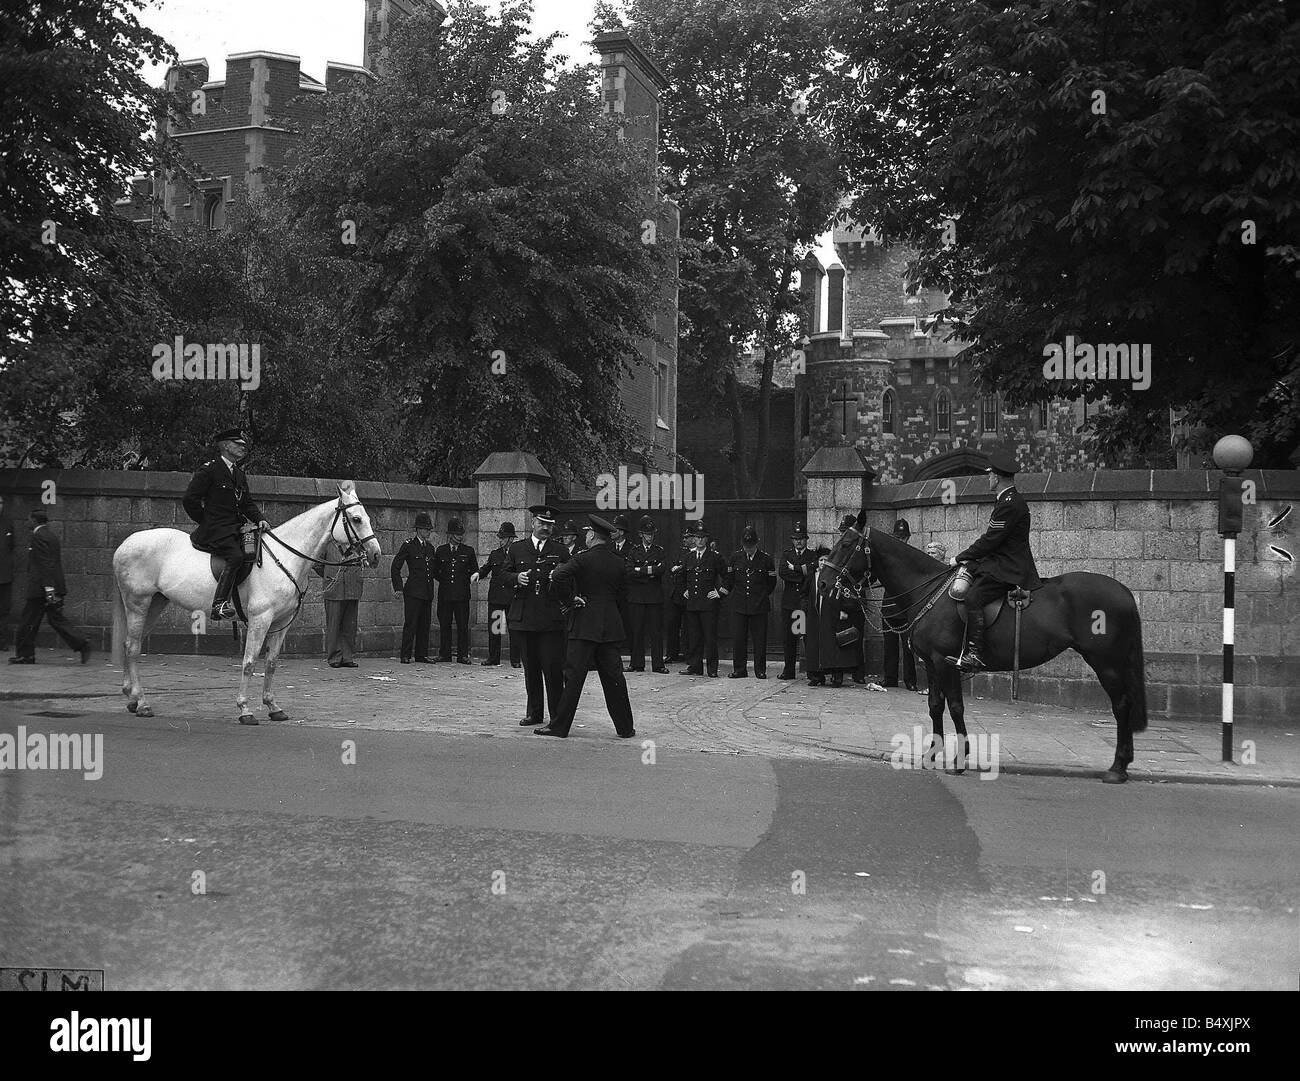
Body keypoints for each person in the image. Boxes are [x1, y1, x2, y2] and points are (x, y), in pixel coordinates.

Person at [536, 515, 636, 739]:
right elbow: (623, 594)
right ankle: (625, 727)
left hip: (584, 624)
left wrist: (570, 599)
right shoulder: (618, 561)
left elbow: (559, 575)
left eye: (588, 534)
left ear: (591, 535)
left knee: (573, 678)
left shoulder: (583, 559)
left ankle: (559, 726)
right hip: (610, 625)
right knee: (614, 679)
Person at [947, 451, 1042, 672]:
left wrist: (959, 557)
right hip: (999, 562)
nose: (988, 478)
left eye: (990, 475)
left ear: (997, 478)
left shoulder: (1009, 503)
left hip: (1007, 568)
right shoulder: (1008, 500)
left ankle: (974, 653)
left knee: (973, 598)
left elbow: (990, 541)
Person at [181, 426, 269, 621]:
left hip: (234, 529)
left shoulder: (238, 474)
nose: (243, 447)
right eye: (239, 444)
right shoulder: (210, 470)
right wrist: (206, 521)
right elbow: (190, 499)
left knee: (253, 551)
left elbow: (246, 503)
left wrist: (260, 519)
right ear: (226, 446)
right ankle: (219, 604)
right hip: (215, 531)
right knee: (236, 556)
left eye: (243, 445)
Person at [502, 504, 570, 726]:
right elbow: (502, 574)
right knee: (530, 669)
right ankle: (534, 712)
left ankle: (557, 715)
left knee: (552, 670)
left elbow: (570, 579)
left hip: (550, 619)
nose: (545, 528)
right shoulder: (517, 549)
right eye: (541, 523)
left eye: (549, 525)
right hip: (525, 617)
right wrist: (516, 578)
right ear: (532, 523)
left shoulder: (560, 551)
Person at [10, 510, 91, 665]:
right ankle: (82, 643)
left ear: (34, 520)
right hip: (51, 586)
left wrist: (48, 589)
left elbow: (44, 563)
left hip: (41, 588)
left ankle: (25, 655)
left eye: (28, 519)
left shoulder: (38, 537)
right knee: (56, 620)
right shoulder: (50, 535)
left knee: (28, 622)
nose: (26, 522)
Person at [803, 542, 867, 688]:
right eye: (821, 560)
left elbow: (844, 594)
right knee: (814, 646)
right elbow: (804, 594)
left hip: (832, 617)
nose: (823, 563)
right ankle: (817, 675)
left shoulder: (836, 577)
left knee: (833, 648)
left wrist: (844, 610)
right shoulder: (812, 577)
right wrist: (805, 611)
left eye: (826, 560)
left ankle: (836, 675)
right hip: (814, 616)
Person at [725, 524, 776, 679]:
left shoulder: (766, 559)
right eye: (746, 546)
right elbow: (730, 580)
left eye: (751, 546)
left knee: (759, 640)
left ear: (757, 543)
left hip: (759, 605)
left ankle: (760, 670)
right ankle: (739, 669)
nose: (748, 549)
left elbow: (771, 583)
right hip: (739, 605)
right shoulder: (735, 557)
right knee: (738, 639)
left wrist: (760, 596)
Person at [679, 521, 728, 678]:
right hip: (693, 603)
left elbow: (727, 576)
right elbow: (681, 577)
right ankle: (695, 666)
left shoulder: (714, 557)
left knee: (710, 637)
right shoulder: (688, 557)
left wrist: (720, 592)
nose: (700, 540)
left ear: (707, 539)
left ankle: (712, 668)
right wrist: (684, 590)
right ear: (693, 539)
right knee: (694, 637)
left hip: (708, 604)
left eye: (703, 537)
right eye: (697, 537)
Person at [391, 511, 437, 663]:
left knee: (425, 625)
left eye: (429, 529)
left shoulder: (430, 548)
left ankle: (421, 654)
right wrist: (398, 587)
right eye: (425, 529)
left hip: (427, 591)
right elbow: (395, 566)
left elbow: (433, 570)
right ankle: (405, 654)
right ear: (418, 530)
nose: (428, 532)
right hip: (413, 591)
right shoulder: (409, 546)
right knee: (411, 624)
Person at [625, 514, 667, 673]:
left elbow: (661, 569)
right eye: (647, 534)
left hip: (654, 597)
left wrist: (640, 570)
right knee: (637, 631)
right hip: (637, 597)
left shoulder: (659, 551)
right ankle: (636, 663)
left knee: (656, 632)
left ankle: (658, 664)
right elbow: (629, 571)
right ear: (641, 534)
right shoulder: (634, 551)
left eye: (652, 534)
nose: (650, 537)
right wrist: (649, 571)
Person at [882, 518, 919, 691]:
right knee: (889, 646)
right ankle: (890, 677)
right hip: (889, 606)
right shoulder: (886, 556)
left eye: (903, 537)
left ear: (908, 537)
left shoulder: (912, 556)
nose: (900, 540)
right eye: (898, 537)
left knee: (908, 647)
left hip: (905, 608)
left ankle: (910, 680)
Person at [777, 521, 818, 680]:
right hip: (790, 604)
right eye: (796, 538)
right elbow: (782, 573)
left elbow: (812, 572)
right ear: (792, 540)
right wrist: (802, 575)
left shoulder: (812, 555)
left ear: (806, 539)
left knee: (806, 638)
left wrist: (794, 568)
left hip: (803, 604)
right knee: (789, 640)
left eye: (801, 538)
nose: (799, 541)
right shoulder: (787, 555)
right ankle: (789, 671)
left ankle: (811, 672)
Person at [478, 521, 522, 667]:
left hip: (511, 598)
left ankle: (515, 660)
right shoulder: (495, 554)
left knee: (514, 631)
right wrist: (477, 574)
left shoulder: (517, 554)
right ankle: (493, 658)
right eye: (500, 538)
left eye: (503, 538)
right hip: (496, 599)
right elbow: (486, 569)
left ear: (510, 539)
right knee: (495, 630)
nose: (501, 540)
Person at [314, 540, 363, 668]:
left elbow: (365, 561)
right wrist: (329, 574)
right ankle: (334, 656)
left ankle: (347, 656)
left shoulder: (358, 543)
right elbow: (317, 564)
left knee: (350, 625)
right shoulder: (328, 543)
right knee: (334, 624)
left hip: (352, 587)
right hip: (334, 587)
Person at [433, 517, 475, 664]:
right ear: (450, 534)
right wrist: (445, 582)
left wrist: (464, 581)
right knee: (445, 625)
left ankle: (463, 654)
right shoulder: (441, 551)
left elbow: (474, 571)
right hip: (445, 594)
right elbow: (435, 571)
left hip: (462, 595)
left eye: (461, 534)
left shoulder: (468, 551)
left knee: (462, 625)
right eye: (457, 534)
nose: (459, 537)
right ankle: (445, 653)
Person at [662, 533, 691, 663]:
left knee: (688, 627)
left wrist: (680, 568)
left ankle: (687, 654)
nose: (684, 540)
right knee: (672, 625)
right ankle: (671, 653)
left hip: (689, 594)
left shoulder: (697, 554)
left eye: (687, 537)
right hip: (675, 594)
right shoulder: (680, 553)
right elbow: (672, 569)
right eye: (684, 537)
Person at [0, 494, 13, 652]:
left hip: (4, 575)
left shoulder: (7, 524)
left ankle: (3, 641)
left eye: (1, 502)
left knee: (4, 610)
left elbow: (10, 546)